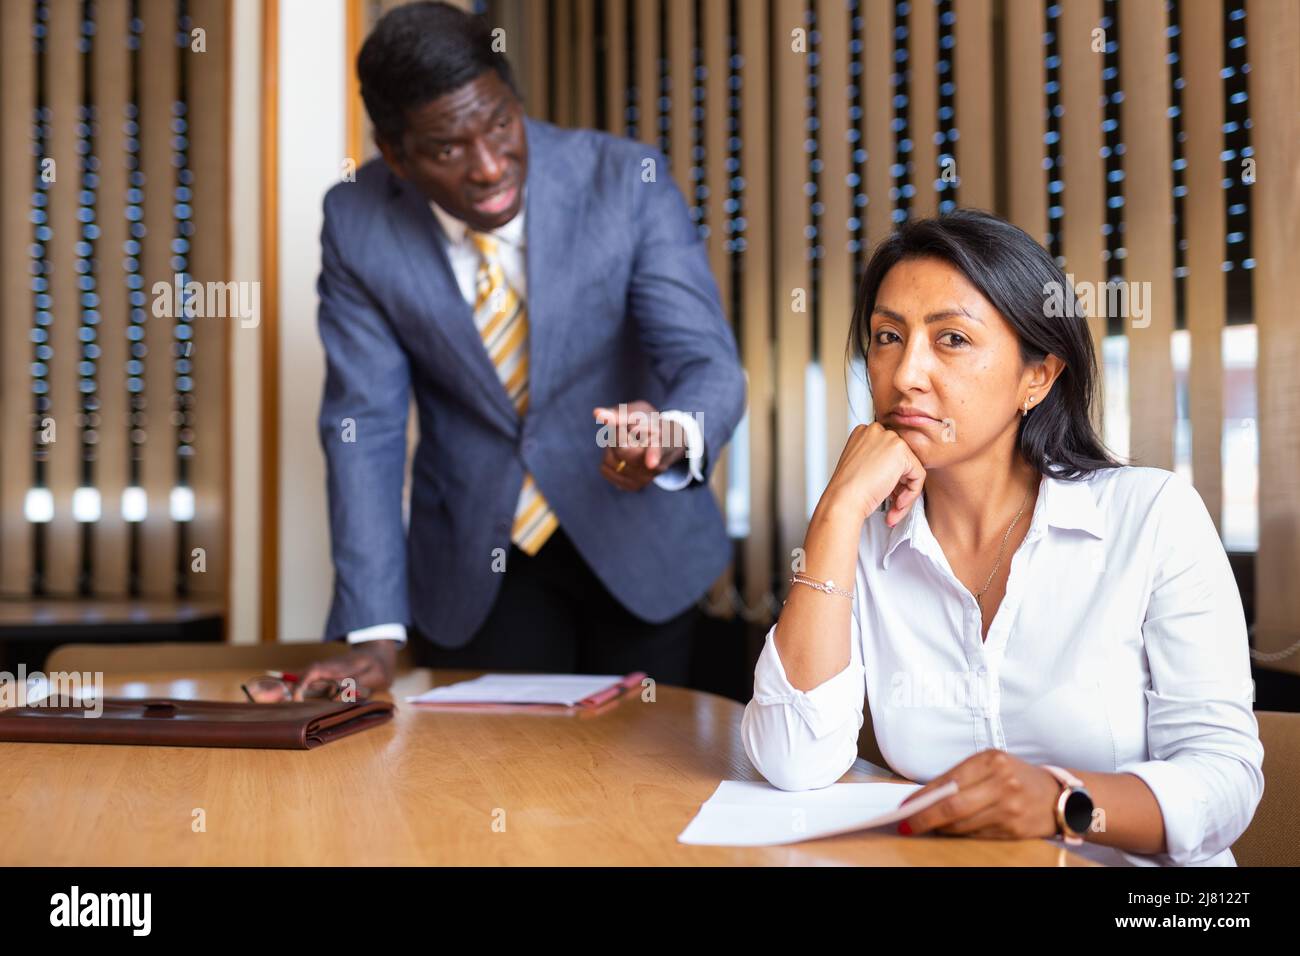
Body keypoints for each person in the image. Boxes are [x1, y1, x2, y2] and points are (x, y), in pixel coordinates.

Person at [741, 209, 1264, 866]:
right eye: (886, 337)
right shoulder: (864, 541)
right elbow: (793, 760)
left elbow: (1227, 782)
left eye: (952, 339)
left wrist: (1058, 800)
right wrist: (837, 514)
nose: (905, 375)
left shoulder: (1151, 516)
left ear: (1037, 377)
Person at [297, 1, 745, 696]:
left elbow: (705, 361)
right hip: (478, 561)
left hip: (640, 544)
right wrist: (374, 630)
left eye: (500, 124)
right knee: (496, 791)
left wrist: (670, 433)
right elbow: (365, 428)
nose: (488, 166)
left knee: (641, 786)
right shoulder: (357, 221)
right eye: (448, 148)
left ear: (514, 100)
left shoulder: (626, 181)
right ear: (396, 154)